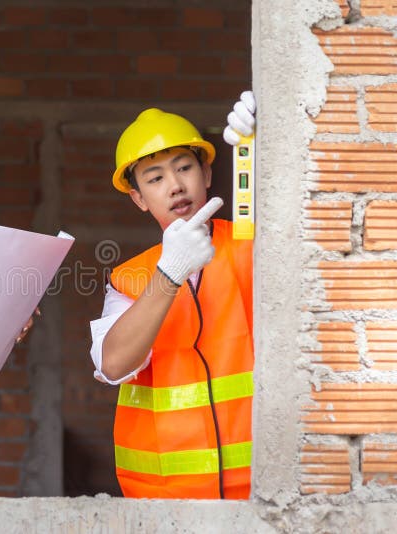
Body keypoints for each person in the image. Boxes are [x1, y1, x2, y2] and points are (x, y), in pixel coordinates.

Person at [89, 92, 257, 499]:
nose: (176, 186)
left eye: (184, 168)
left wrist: (266, 151)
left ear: (207, 174)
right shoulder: (130, 279)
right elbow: (113, 365)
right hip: (166, 505)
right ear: (139, 199)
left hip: (261, 494)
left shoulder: (251, 246)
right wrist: (170, 273)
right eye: (155, 179)